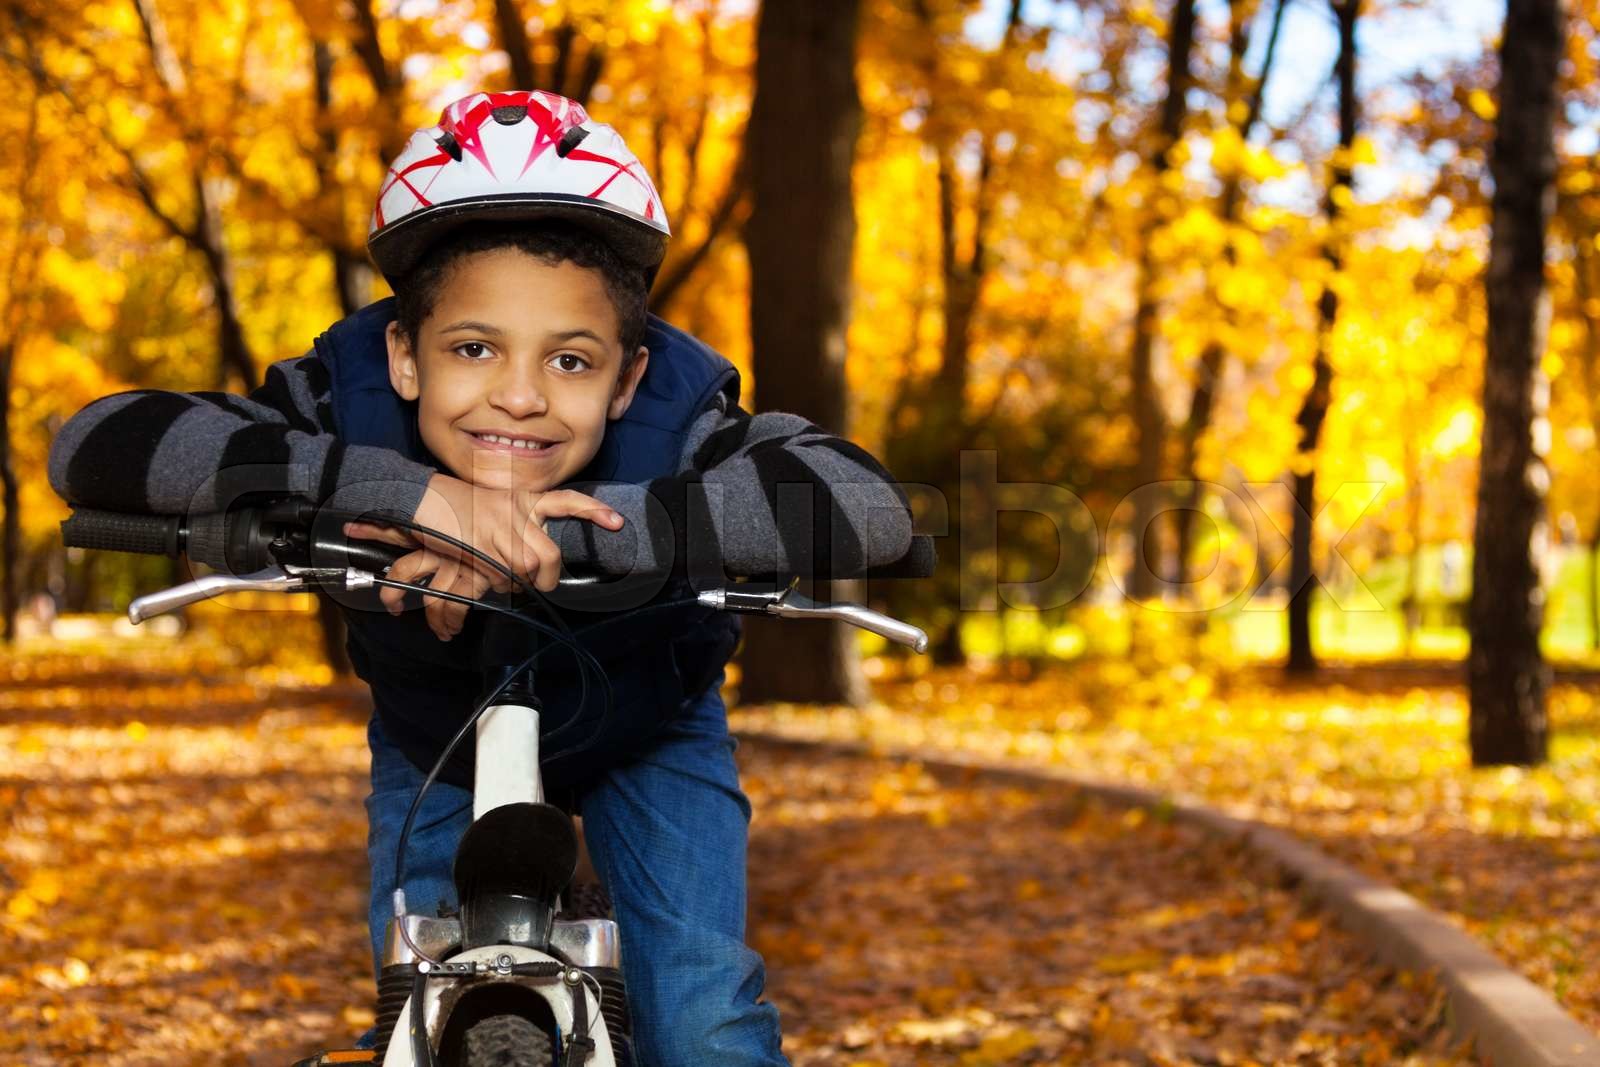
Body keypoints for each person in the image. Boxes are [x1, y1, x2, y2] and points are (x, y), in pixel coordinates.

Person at [47, 89, 913, 1065]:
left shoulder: (677, 408)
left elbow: (869, 505)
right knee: (417, 1001)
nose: (519, 393)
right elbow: (94, 441)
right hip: (438, 733)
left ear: (627, 378)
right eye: (471, 347)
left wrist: (582, 532)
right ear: (403, 356)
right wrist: (413, 498)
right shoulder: (344, 397)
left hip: (648, 719)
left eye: (572, 360)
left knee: (703, 1013)